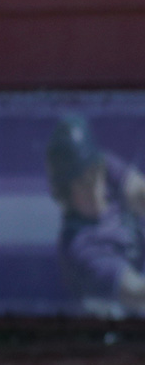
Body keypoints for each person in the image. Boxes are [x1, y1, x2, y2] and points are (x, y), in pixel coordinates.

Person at [47, 114, 145, 316]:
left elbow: (139, 192)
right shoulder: (78, 245)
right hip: (124, 335)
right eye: (81, 183)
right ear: (65, 192)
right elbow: (135, 291)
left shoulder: (102, 168)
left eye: (94, 174)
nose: (93, 188)